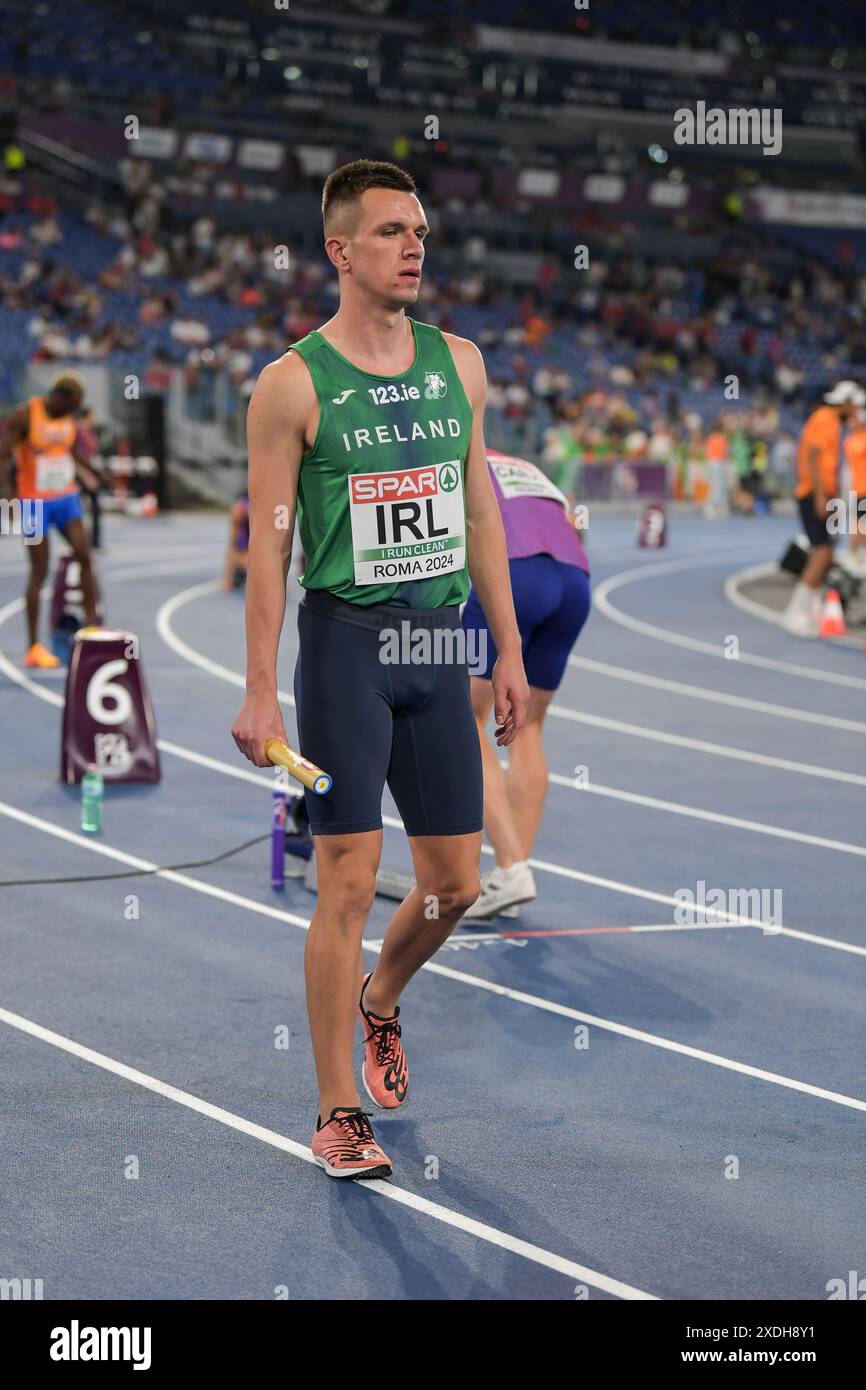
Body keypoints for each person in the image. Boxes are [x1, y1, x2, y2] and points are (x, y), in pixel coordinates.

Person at [230, 160, 529, 1180]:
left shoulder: (462, 364)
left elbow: (480, 508)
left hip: (436, 640)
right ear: (339, 250)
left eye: (421, 230)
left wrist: (508, 650)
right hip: (348, 643)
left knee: (451, 884)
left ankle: (381, 1001)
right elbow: (270, 540)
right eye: (393, 230)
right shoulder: (291, 384)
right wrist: (260, 684)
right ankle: (335, 1109)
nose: (414, 246)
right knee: (347, 881)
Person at [460, 449, 591, 920]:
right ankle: (513, 876)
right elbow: (573, 522)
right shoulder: (525, 466)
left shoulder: (448, 452)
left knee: (465, 719)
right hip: (575, 580)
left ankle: (511, 868)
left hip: (513, 571)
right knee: (529, 727)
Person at [0, 372, 102, 668]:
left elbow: (72, 451)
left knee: (85, 554)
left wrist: (95, 473)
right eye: (70, 405)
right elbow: (3, 455)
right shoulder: (25, 416)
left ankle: (92, 628)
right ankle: (33, 647)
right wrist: (7, 499)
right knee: (39, 571)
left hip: (66, 498)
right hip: (34, 504)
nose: (72, 411)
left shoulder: (67, 418)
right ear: (58, 397)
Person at [784, 381, 866, 637]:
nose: (855, 412)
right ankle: (796, 612)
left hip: (822, 492)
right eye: (854, 407)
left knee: (826, 552)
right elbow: (812, 454)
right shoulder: (826, 419)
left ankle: (810, 609)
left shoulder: (830, 421)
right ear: (845, 402)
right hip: (814, 493)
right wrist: (820, 495)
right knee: (821, 552)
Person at [222, 489, 250, 590]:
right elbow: (232, 545)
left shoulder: (240, 509)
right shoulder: (238, 510)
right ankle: (238, 574)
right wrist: (227, 577)